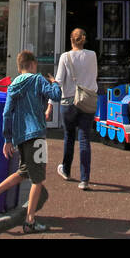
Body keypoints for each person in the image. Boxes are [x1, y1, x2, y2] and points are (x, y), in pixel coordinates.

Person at [0, 50, 62, 233]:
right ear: (32, 64)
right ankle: (30, 221)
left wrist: (7, 139)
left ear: (19, 67)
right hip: (37, 134)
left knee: (24, 172)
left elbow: (6, 113)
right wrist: (55, 83)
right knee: (38, 178)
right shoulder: (38, 80)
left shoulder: (13, 86)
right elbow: (56, 96)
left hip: (20, 136)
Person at [55, 28, 98, 190]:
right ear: (84, 39)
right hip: (86, 101)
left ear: (71, 40)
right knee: (85, 138)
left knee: (69, 136)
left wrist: (50, 102)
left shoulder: (65, 57)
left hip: (69, 102)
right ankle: (84, 179)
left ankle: (66, 170)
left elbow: (59, 81)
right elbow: (93, 76)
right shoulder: (92, 55)